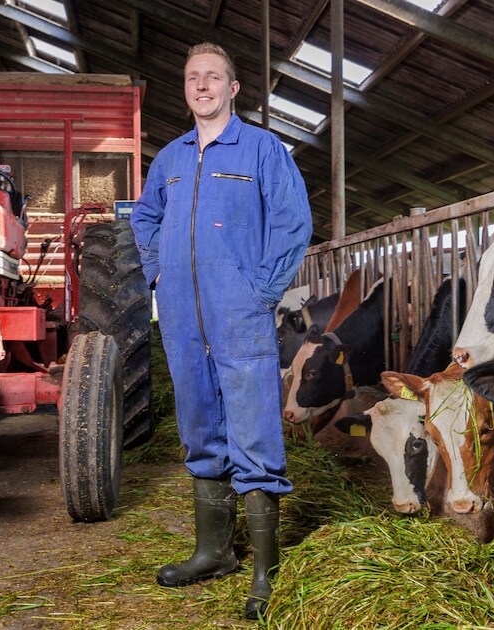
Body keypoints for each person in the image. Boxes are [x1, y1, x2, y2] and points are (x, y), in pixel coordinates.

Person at [130, 42, 312, 620]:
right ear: (184, 90)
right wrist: (158, 270)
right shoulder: (172, 157)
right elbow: (146, 216)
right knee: (198, 423)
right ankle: (213, 552)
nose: (201, 86)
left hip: (240, 312)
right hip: (182, 312)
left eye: (213, 77)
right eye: (192, 78)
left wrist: (259, 290)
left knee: (253, 427)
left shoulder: (262, 150)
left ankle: (264, 568)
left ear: (234, 89)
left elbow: (292, 222)